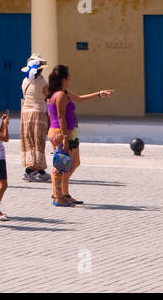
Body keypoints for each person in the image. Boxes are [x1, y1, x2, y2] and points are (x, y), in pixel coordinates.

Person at [46, 64, 113, 206]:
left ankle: (63, 193)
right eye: (68, 75)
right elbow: (61, 116)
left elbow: (80, 98)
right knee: (63, 164)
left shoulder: (59, 93)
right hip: (62, 133)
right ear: (63, 78)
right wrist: (65, 137)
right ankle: (58, 196)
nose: (70, 77)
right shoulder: (60, 95)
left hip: (62, 131)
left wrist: (99, 93)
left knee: (72, 163)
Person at [19, 55, 51, 183]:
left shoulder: (25, 81)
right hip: (38, 113)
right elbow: (46, 95)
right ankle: (35, 170)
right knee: (39, 141)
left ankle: (33, 169)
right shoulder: (42, 82)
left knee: (29, 141)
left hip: (26, 113)